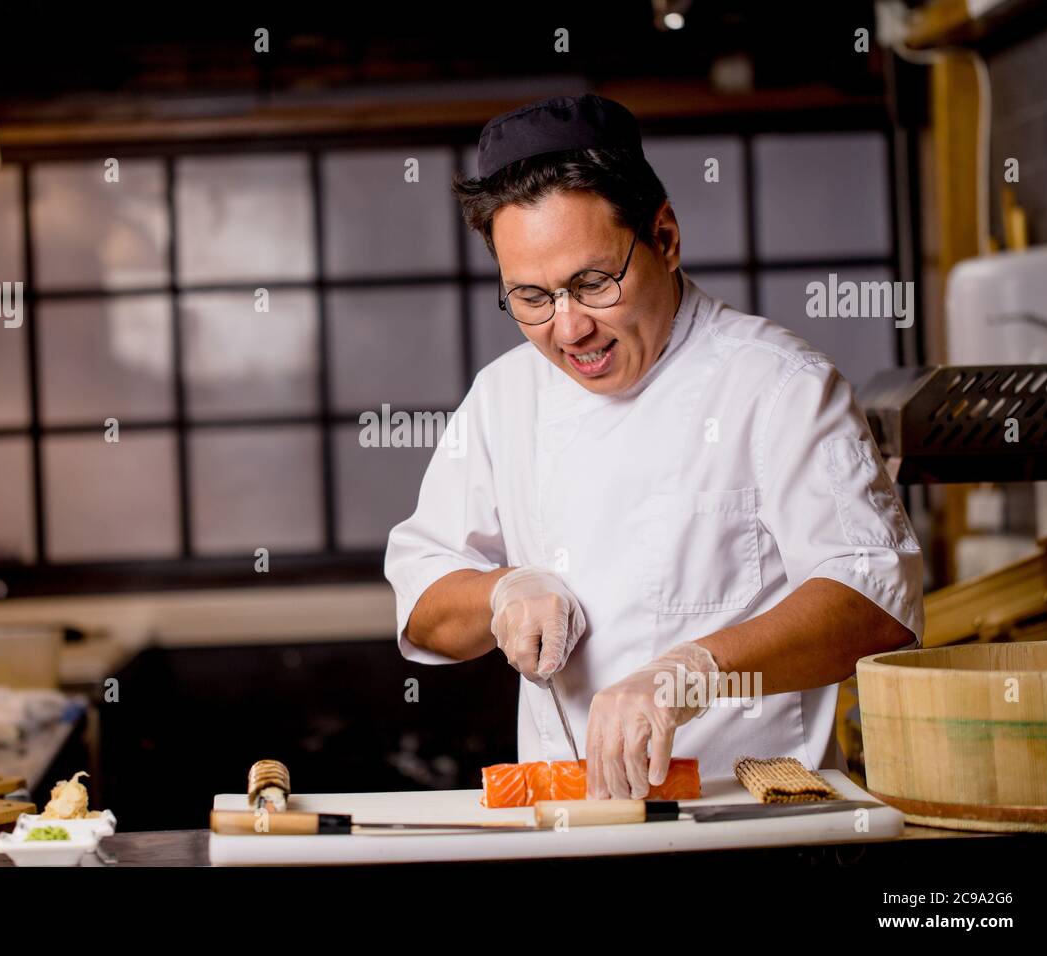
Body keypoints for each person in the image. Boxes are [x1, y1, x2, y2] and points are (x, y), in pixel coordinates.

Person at [384, 94, 923, 799]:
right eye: (531, 297)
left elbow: (873, 605)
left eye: (592, 282)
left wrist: (693, 671)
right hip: (569, 827)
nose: (568, 329)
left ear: (665, 238)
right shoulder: (503, 396)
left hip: (752, 825)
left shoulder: (778, 384)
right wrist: (503, 594)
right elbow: (423, 600)